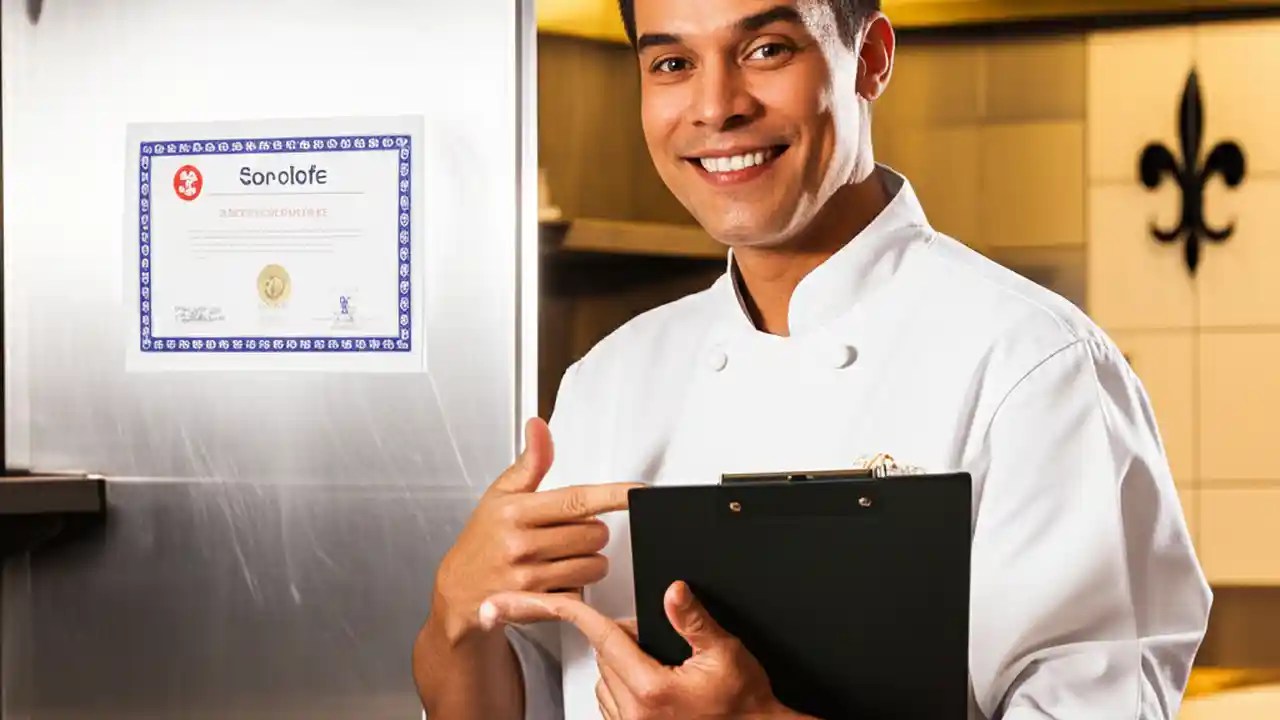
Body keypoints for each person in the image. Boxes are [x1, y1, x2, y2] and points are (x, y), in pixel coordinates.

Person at [412, 0, 1213, 717]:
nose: (717, 107)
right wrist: (458, 612)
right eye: (672, 63)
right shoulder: (608, 380)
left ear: (870, 58)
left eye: (766, 49)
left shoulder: (1035, 366)